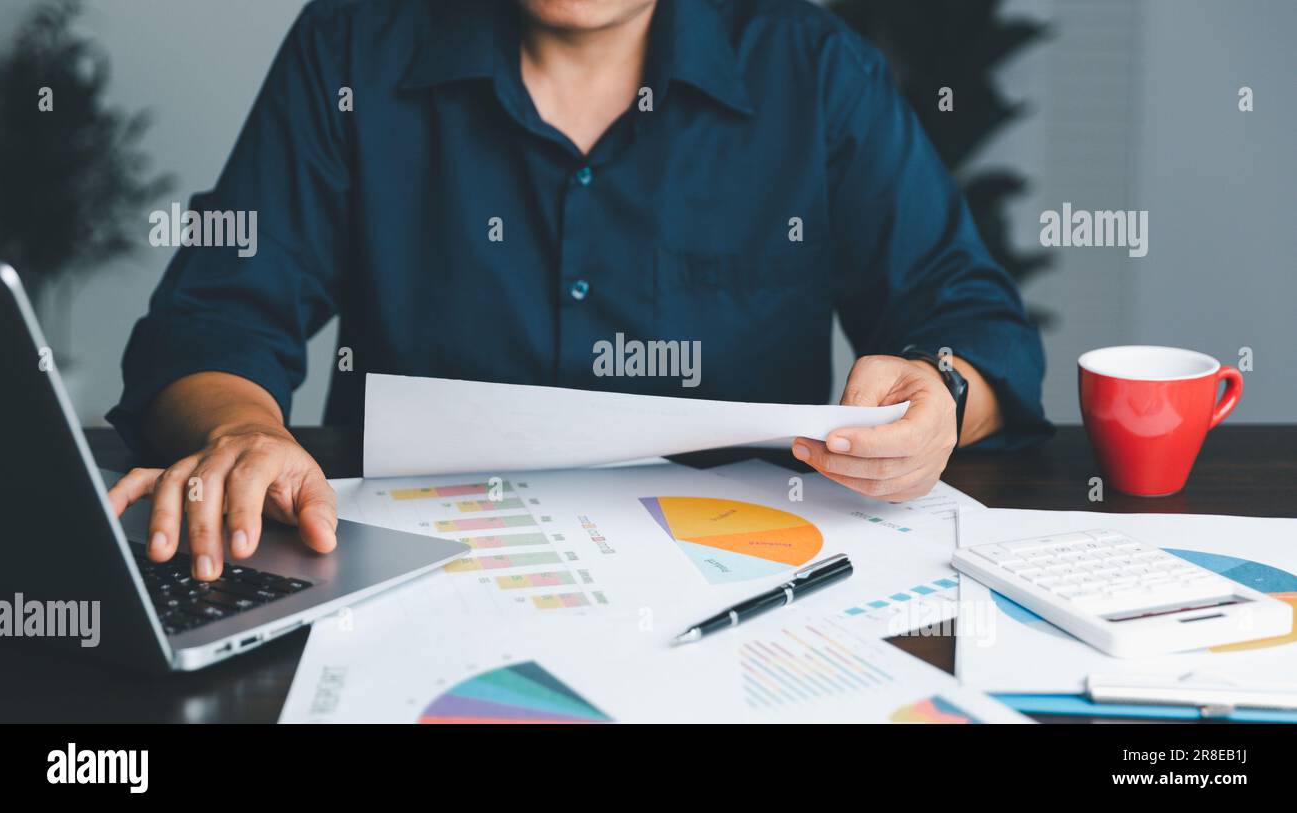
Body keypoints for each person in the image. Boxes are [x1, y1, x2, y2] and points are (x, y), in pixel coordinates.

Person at [106, 0, 1051, 582]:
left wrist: (945, 395)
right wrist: (245, 430)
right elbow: (213, 316)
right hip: (411, 572)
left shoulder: (812, 67)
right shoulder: (350, 43)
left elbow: (968, 318)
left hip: (748, 576)